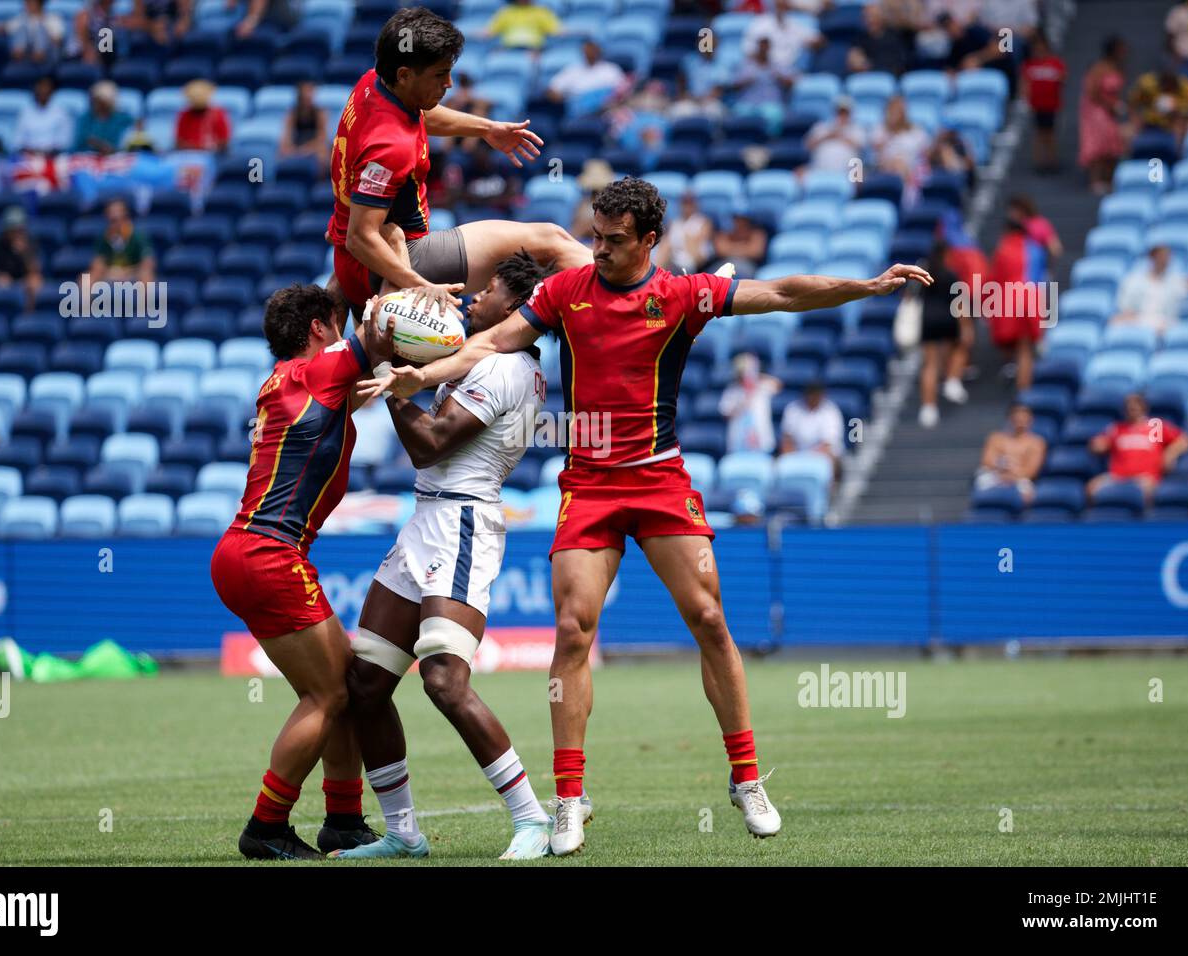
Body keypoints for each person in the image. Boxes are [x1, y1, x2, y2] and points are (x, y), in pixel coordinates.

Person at [360, 176, 933, 856]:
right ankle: (568, 801)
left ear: (649, 240)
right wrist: (419, 378)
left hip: (660, 480)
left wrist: (865, 286)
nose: (596, 249)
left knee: (711, 619)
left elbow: (780, 293)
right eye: (594, 236)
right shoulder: (561, 293)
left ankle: (746, 779)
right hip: (590, 486)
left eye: (613, 241)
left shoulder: (683, 295)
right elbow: (491, 343)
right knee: (572, 631)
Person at [333, 252, 554, 862]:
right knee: (366, 683)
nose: (473, 298)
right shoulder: (487, 358)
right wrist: (395, 324)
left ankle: (531, 818)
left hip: (461, 520)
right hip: (427, 519)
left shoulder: (505, 368)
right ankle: (403, 833)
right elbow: (422, 364)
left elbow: (429, 445)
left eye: (487, 293)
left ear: (515, 308)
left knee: (443, 681)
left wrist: (381, 361)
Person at [210, 283, 396, 861]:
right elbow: (382, 328)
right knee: (328, 694)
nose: (341, 332)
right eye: (334, 324)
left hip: (247, 550)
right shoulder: (318, 372)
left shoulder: (288, 381)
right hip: (270, 553)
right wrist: (414, 284)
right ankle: (265, 827)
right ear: (319, 329)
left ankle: (343, 819)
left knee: (336, 688)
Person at [327, 8, 592, 322]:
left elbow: (419, 113)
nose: (450, 84)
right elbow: (362, 237)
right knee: (551, 240)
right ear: (405, 75)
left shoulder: (374, 83)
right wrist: (422, 286)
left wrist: (486, 128)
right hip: (398, 259)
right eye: (440, 74)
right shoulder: (389, 146)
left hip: (354, 259)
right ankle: (643, 297)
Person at [1087, 393, 1188, 503]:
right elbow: (1101, 444)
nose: (1132, 409)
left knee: (1146, 492)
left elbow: (1184, 440)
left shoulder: (1154, 426)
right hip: (1117, 476)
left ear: (1144, 408)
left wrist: (1169, 454)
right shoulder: (1117, 428)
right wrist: (1097, 445)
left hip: (1144, 477)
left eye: (1136, 406)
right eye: (1129, 407)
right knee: (1092, 487)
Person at [916, 236, 972, 428]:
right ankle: (952, 380)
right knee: (958, 349)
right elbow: (959, 303)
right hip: (948, 319)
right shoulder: (950, 274)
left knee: (930, 365)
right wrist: (965, 327)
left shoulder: (923, 274)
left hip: (927, 320)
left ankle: (928, 407)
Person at [988, 213, 1048, 391]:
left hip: (1009, 297)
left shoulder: (1003, 250)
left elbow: (995, 279)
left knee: (1012, 343)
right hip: (1032, 297)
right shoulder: (1036, 249)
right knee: (1026, 347)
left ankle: (1011, 367)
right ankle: (1024, 390)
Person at [1111, 245, 1188, 336]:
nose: (1165, 260)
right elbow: (1126, 309)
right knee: (1116, 322)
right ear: (1153, 258)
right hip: (1141, 319)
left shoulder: (1176, 281)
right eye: (1162, 257)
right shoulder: (1134, 281)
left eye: (1167, 257)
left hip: (1166, 321)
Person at [1078, 37, 1129, 196]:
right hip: (1096, 111)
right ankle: (1096, 180)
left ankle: (1109, 179)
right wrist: (1110, 105)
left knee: (1113, 144)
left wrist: (1116, 106)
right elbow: (1092, 92)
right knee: (1098, 144)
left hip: (1110, 110)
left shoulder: (1117, 68)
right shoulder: (1098, 68)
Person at [974, 403, 1045, 504]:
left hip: (1020, 479)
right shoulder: (996, 438)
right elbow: (987, 461)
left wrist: (1012, 474)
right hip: (996, 476)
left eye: (1023, 419)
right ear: (1010, 418)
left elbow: (1031, 471)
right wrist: (1002, 467)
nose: (1020, 422)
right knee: (981, 481)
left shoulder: (1036, 443)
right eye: (1017, 418)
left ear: (1030, 419)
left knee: (1026, 491)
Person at [780, 380, 845, 478]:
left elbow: (827, 445)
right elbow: (786, 441)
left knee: (830, 460)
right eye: (810, 394)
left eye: (816, 395)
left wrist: (806, 458)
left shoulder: (830, 411)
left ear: (822, 395)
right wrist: (795, 457)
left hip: (823, 454)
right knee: (782, 462)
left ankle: (828, 491)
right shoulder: (793, 409)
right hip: (797, 454)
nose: (812, 398)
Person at [719, 352, 781, 454]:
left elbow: (778, 385)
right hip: (738, 443)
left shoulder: (763, 386)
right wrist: (742, 404)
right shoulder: (732, 390)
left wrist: (755, 375)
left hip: (762, 443)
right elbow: (725, 413)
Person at [1022, 33, 1066, 173]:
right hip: (1037, 105)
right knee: (1040, 133)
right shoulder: (1029, 65)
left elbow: (1062, 80)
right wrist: (1026, 99)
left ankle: (1052, 160)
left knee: (1050, 133)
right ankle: (1039, 161)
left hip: (1051, 104)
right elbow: (1025, 84)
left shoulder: (1055, 64)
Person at [89, 199, 155, 286]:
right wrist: (110, 272)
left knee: (146, 276)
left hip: (134, 274)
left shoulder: (138, 236)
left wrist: (127, 272)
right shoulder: (103, 237)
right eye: (112, 220)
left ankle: (144, 300)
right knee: (87, 279)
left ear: (126, 216)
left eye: (118, 218)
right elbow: (97, 264)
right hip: (110, 273)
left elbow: (148, 263)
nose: (115, 223)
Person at [546, 39, 627, 109]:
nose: (590, 52)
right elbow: (552, 89)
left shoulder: (611, 69)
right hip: (578, 111)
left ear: (598, 51)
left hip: (606, 110)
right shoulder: (572, 70)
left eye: (592, 49)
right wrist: (564, 100)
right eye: (587, 50)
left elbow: (624, 91)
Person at [653, 192, 713, 275]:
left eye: (690, 203)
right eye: (684, 203)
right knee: (664, 246)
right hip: (674, 258)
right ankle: (654, 274)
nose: (687, 207)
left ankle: (654, 276)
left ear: (695, 204)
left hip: (691, 261)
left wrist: (686, 239)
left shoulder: (702, 222)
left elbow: (699, 253)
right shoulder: (675, 222)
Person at [847, 1, 911, 76]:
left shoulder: (898, 34)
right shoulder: (860, 38)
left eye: (872, 16)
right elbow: (854, 59)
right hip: (871, 76)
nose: (869, 20)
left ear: (882, 16)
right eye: (865, 16)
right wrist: (856, 61)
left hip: (895, 76)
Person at [13, 76, 73, 155]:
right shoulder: (25, 112)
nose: (43, 90)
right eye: (40, 87)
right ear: (35, 90)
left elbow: (65, 142)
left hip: (53, 157)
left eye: (46, 87)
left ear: (52, 91)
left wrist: (46, 152)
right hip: (29, 157)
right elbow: (18, 141)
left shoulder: (62, 112)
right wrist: (32, 152)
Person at [74, 80, 132, 154]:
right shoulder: (85, 118)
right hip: (86, 159)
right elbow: (77, 145)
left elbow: (122, 148)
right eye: (95, 99)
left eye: (101, 100)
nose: (96, 103)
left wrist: (101, 145)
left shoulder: (123, 119)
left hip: (114, 160)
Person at [279, 81, 329, 167]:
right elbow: (286, 137)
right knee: (282, 152)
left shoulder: (320, 113)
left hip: (314, 146)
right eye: (305, 93)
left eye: (310, 93)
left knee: (323, 151)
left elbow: (322, 138)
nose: (308, 96)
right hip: (297, 145)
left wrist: (305, 150)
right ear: (300, 96)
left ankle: (320, 179)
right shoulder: (292, 114)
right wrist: (292, 149)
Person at [174, 79, 231, 151]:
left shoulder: (218, 114)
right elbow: (179, 140)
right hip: (189, 154)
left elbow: (224, 140)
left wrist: (211, 147)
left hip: (213, 154)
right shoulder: (184, 115)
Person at [484, 0, 562, 50]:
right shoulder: (505, 12)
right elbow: (490, 32)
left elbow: (556, 32)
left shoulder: (542, 12)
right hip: (509, 49)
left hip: (534, 49)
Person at [708, 211, 768, 276]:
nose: (739, 223)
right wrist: (745, 247)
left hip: (749, 265)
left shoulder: (757, 233)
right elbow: (721, 251)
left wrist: (731, 248)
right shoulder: (724, 233)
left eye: (743, 221)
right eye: (737, 220)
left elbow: (756, 252)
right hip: (723, 263)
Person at [128, 0, 193, 45]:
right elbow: (139, 18)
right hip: (151, 28)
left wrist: (181, 25)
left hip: (173, 26)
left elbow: (185, 15)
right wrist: (152, 27)